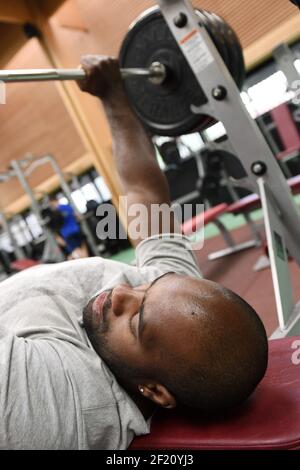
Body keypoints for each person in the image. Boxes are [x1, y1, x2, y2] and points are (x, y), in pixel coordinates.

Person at [0, 56, 268, 450]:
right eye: (148, 289)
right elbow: (144, 192)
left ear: (155, 392)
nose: (125, 290)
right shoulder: (170, 296)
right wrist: (116, 99)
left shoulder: (60, 401)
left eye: (136, 321)